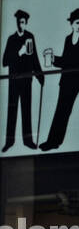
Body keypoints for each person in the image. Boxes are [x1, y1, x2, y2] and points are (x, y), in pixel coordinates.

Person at [39, 7, 79, 151]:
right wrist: (53, 59)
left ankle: (55, 141)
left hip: (76, 81)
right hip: (65, 80)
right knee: (61, 109)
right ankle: (53, 141)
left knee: (65, 110)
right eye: (77, 23)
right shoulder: (67, 39)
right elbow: (65, 61)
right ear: (71, 24)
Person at [3, 9, 43, 151]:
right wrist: (18, 52)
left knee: (26, 110)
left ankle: (28, 141)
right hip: (14, 81)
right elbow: (4, 61)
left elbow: (34, 58)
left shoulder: (30, 37)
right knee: (12, 110)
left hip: (26, 81)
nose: (20, 24)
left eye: (23, 22)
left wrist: (40, 75)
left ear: (26, 23)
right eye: (19, 22)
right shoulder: (11, 39)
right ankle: (9, 141)